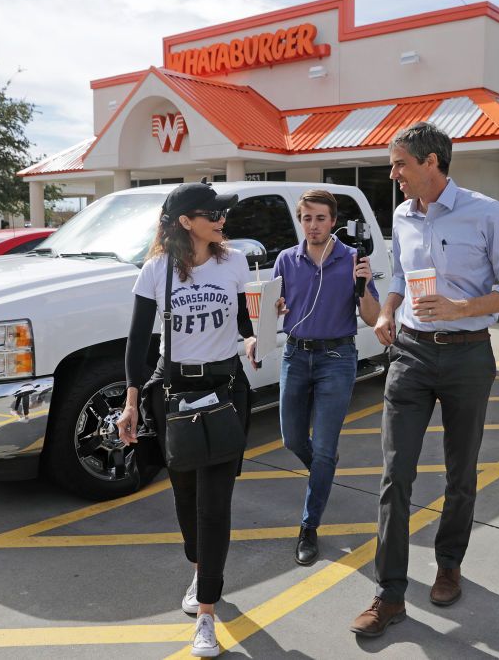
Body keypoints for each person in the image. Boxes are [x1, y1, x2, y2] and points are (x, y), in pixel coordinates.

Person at [350, 122, 499, 637]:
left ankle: (449, 563)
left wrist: (461, 308)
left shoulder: (487, 213)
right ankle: (389, 594)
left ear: (432, 163)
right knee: (395, 476)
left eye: (400, 164)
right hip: (409, 355)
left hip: (467, 357)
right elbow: (402, 280)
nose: (394, 175)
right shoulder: (402, 216)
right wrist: (388, 311)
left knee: (461, 472)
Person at [116, 182, 257, 658]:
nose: (221, 219)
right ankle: (201, 568)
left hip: (224, 390)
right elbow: (137, 343)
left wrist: (255, 334)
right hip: (173, 392)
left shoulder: (234, 262)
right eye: (211, 213)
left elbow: (242, 317)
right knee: (185, 496)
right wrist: (132, 402)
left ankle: (206, 614)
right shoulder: (156, 271)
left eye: (222, 213)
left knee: (215, 503)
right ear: (184, 222)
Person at [273, 189, 381, 566]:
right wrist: (274, 311)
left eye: (320, 218)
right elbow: (275, 309)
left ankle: (308, 526)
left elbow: (371, 316)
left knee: (322, 448)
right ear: (300, 220)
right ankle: (324, 466)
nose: (313, 225)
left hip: (337, 357)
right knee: (291, 438)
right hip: (295, 355)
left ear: (333, 221)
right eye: (307, 218)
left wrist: (364, 285)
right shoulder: (287, 259)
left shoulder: (352, 259)